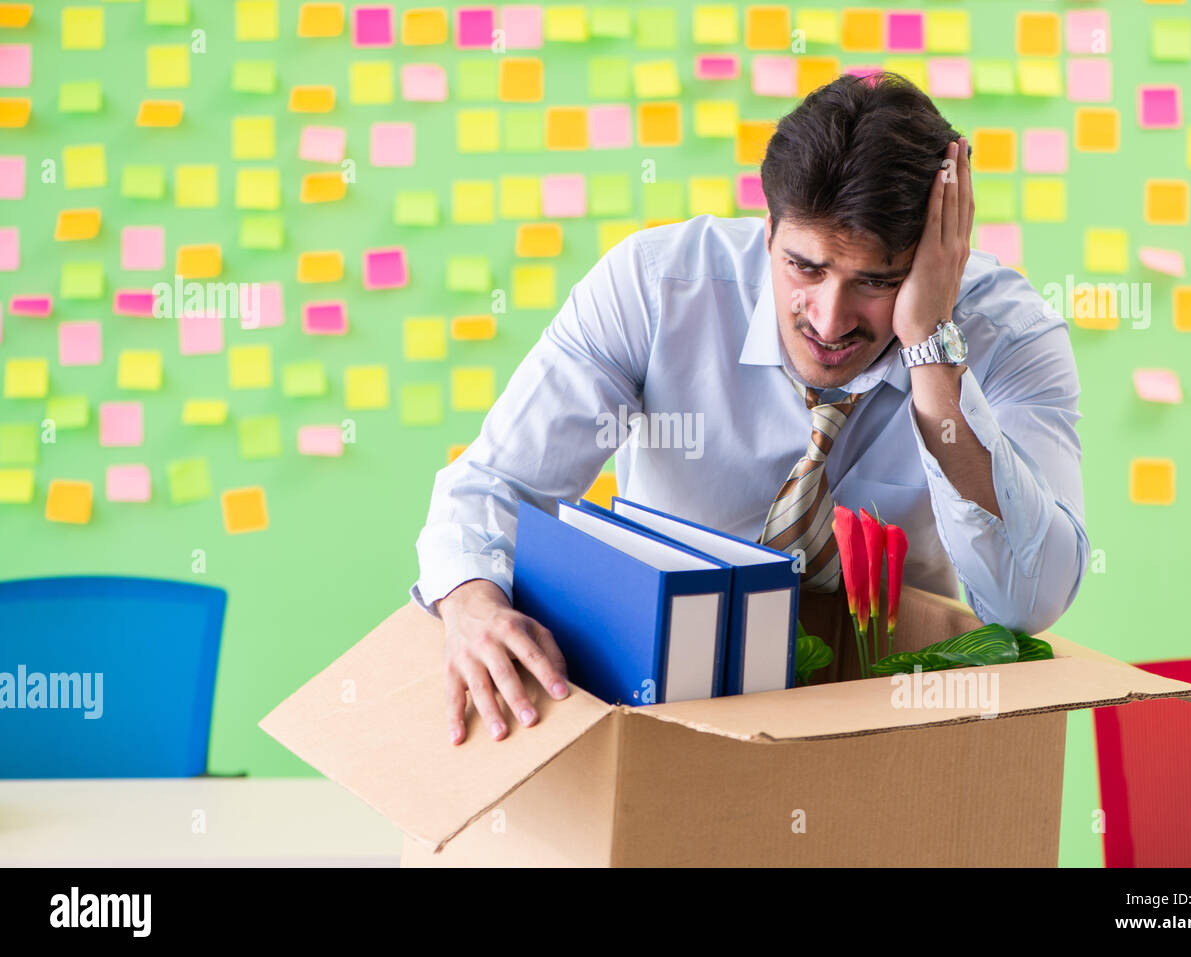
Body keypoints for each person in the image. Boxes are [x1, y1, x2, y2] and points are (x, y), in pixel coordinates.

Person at [411, 72, 1089, 745]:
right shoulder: (655, 289)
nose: (830, 319)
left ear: (936, 260)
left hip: (891, 724)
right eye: (806, 267)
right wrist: (471, 600)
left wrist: (934, 355)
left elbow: (1028, 601)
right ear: (768, 229)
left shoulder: (1009, 337)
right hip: (665, 712)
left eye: (876, 281)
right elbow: (498, 482)